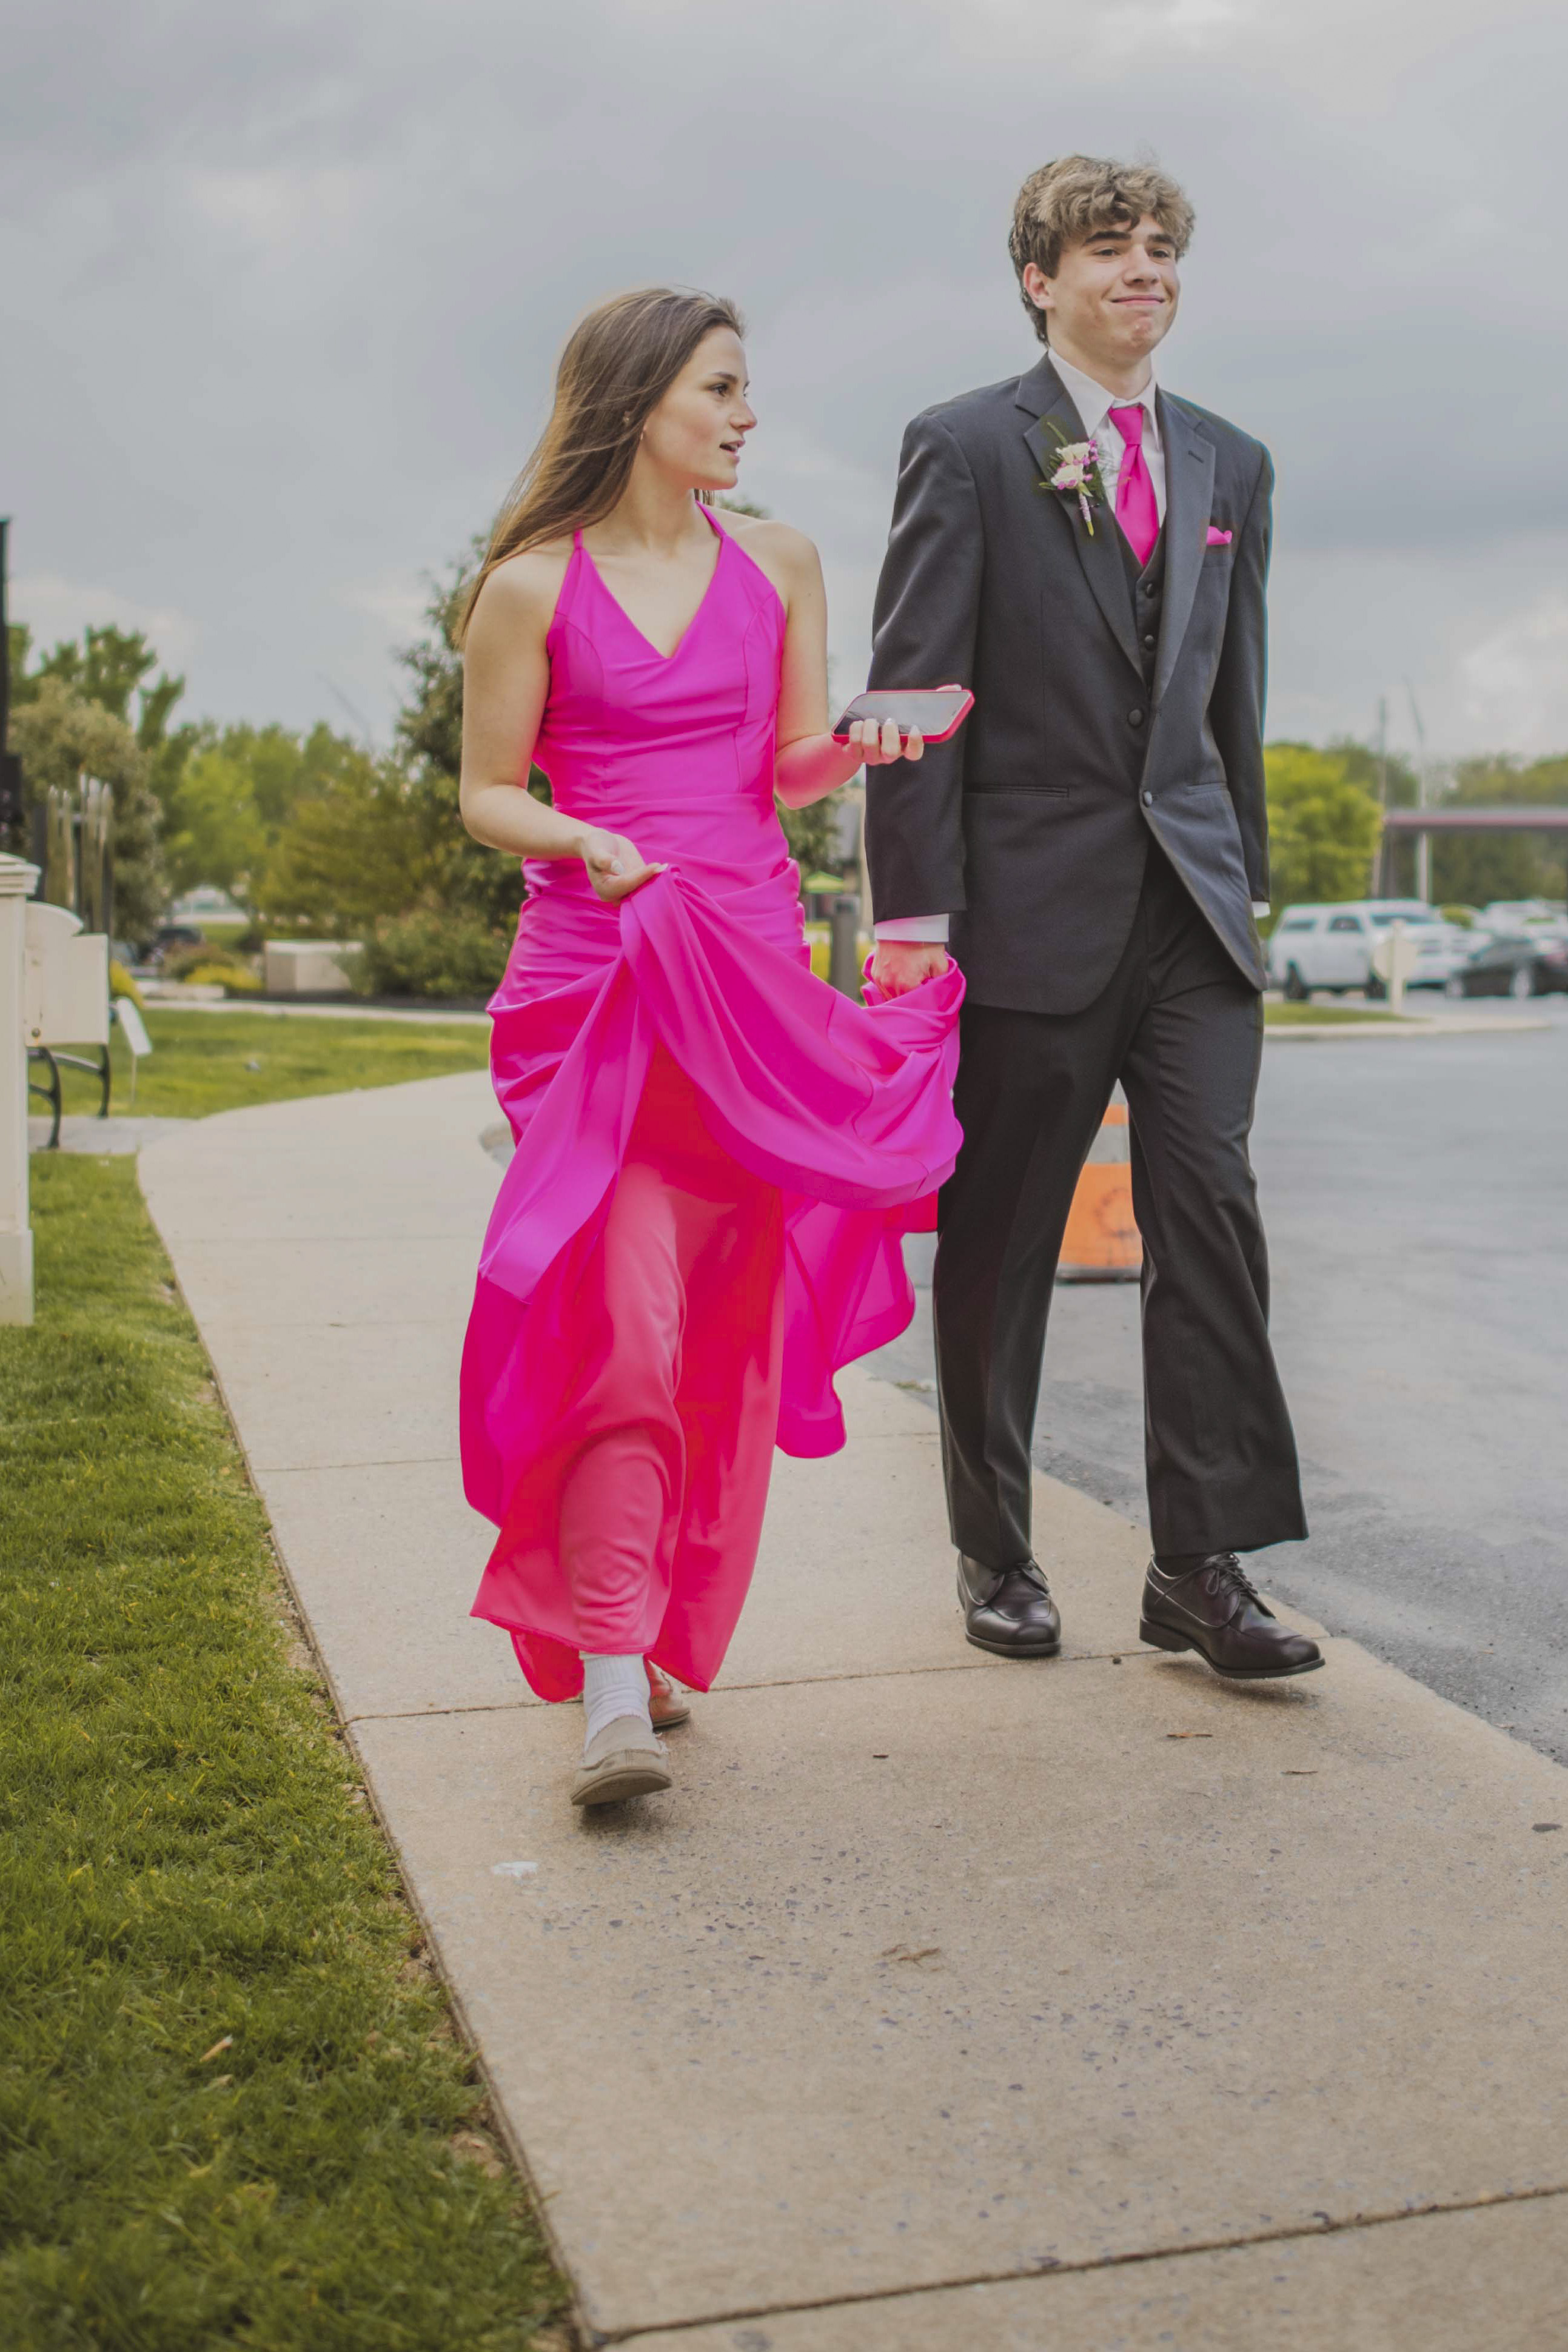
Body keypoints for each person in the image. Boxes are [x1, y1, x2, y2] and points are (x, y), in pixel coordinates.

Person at [457, 287, 963, 1809]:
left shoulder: (785, 563)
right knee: (618, 1323)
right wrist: (581, 836)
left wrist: (863, 735)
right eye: (722, 389)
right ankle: (611, 1675)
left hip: (743, 994)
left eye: (749, 393)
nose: (747, 417)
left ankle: (665, 1631)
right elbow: (488, 793)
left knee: (716, 1350)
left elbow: (788, 771)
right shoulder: (529, 587)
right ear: (634, 399)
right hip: (595, 993)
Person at [865, 155, 1320, 1681]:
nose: (1144, 268)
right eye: (1108, 247)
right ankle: (995, 1549)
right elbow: (916, 701)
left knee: (1211, 1216)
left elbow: (1229, 695)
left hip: (1190, 915)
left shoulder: (1231, 464)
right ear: (1037, 277)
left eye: (1162, 247)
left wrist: (1242, 882)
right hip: (1027, 914)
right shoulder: (966, 447)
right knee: (998, 1244)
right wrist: (916, 914)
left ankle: (1202, 1564)